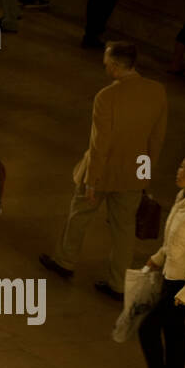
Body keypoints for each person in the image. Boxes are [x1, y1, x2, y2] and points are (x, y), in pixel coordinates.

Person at [40, 42, 166, 302]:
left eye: (107, 63)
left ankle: (65, 261)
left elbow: (100, 144)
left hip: (103, 173)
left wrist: (91, 180)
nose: (105, 66)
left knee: (79, 216)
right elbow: (156, 139)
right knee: (124, 230)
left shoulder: (107, 97)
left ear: (117, 66)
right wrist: (144, 176)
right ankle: (118, 284)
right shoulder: (157, 92)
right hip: (133, 175)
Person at [137, 152, 185, 368]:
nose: (180, 172)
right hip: (171, 276)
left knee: (148, 327)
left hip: (183, 285)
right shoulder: (182, 199)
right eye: (181, 166)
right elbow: (174, 241)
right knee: (173, 333)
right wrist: (157, 258)